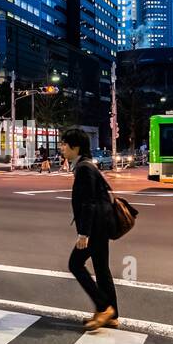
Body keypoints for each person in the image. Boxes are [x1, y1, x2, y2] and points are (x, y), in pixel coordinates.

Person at [62, 127, 118, 330]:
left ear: (75, 147)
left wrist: (83, 233)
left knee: (75, 264)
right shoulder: (86, 165)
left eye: (64, 144)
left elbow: (89, 203)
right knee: (102, 269)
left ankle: (104, 308)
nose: (62, 147)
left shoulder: (84, 168)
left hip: (94, 228)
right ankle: (112, 315)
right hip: (102, 225)